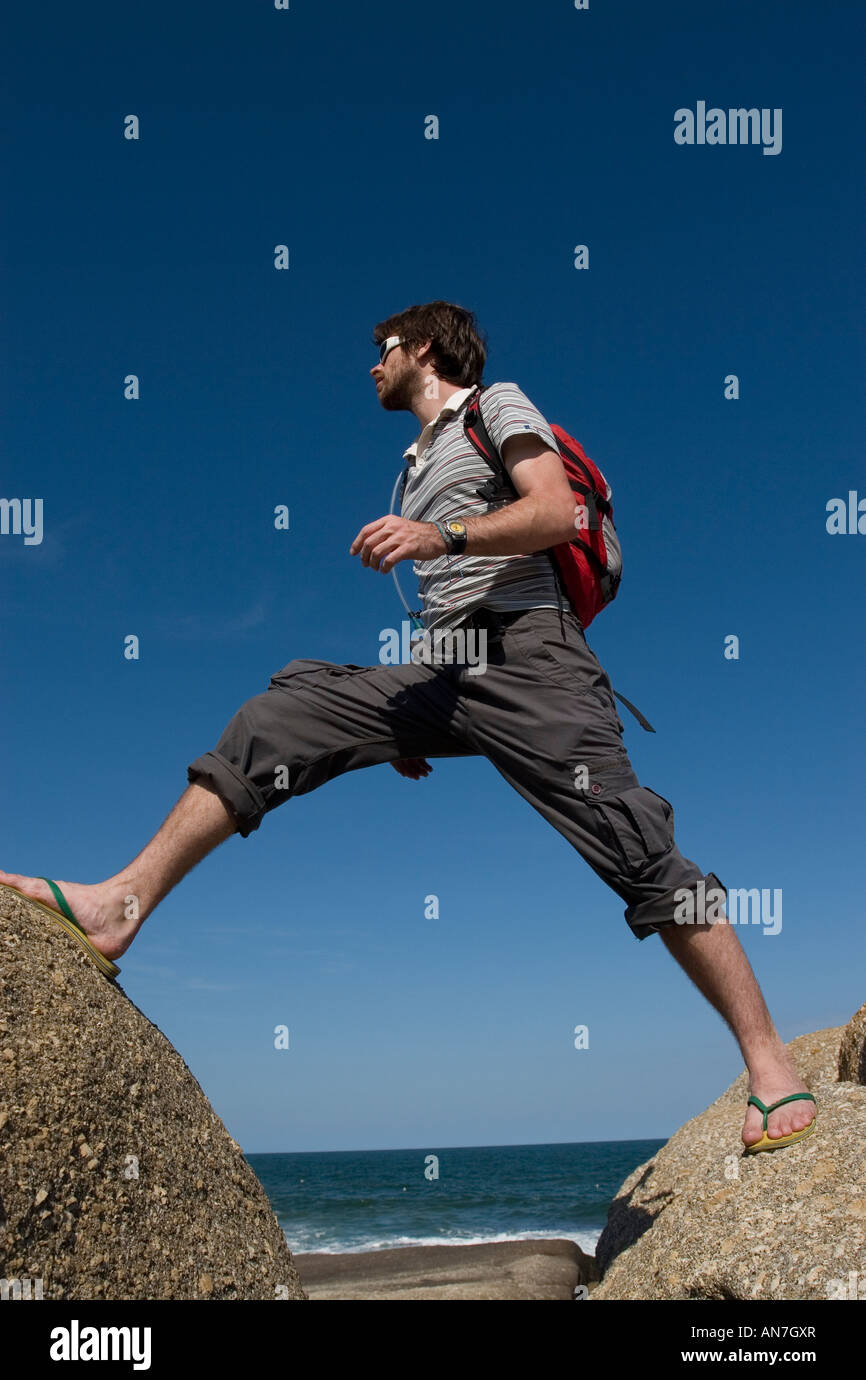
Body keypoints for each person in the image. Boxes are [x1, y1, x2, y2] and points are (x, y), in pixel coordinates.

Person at [0, 300, 816, 1154]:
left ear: (421, 349)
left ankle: (770, 1063)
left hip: (532, 661)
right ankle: (117, 906)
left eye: (380, 350)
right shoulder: (414, 458)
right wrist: (402, 726)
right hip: (443, 672)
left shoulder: (495, 406)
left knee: (637, 848)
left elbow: (555, 514)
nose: (370, 367)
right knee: (277, 714)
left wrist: (439, 534)